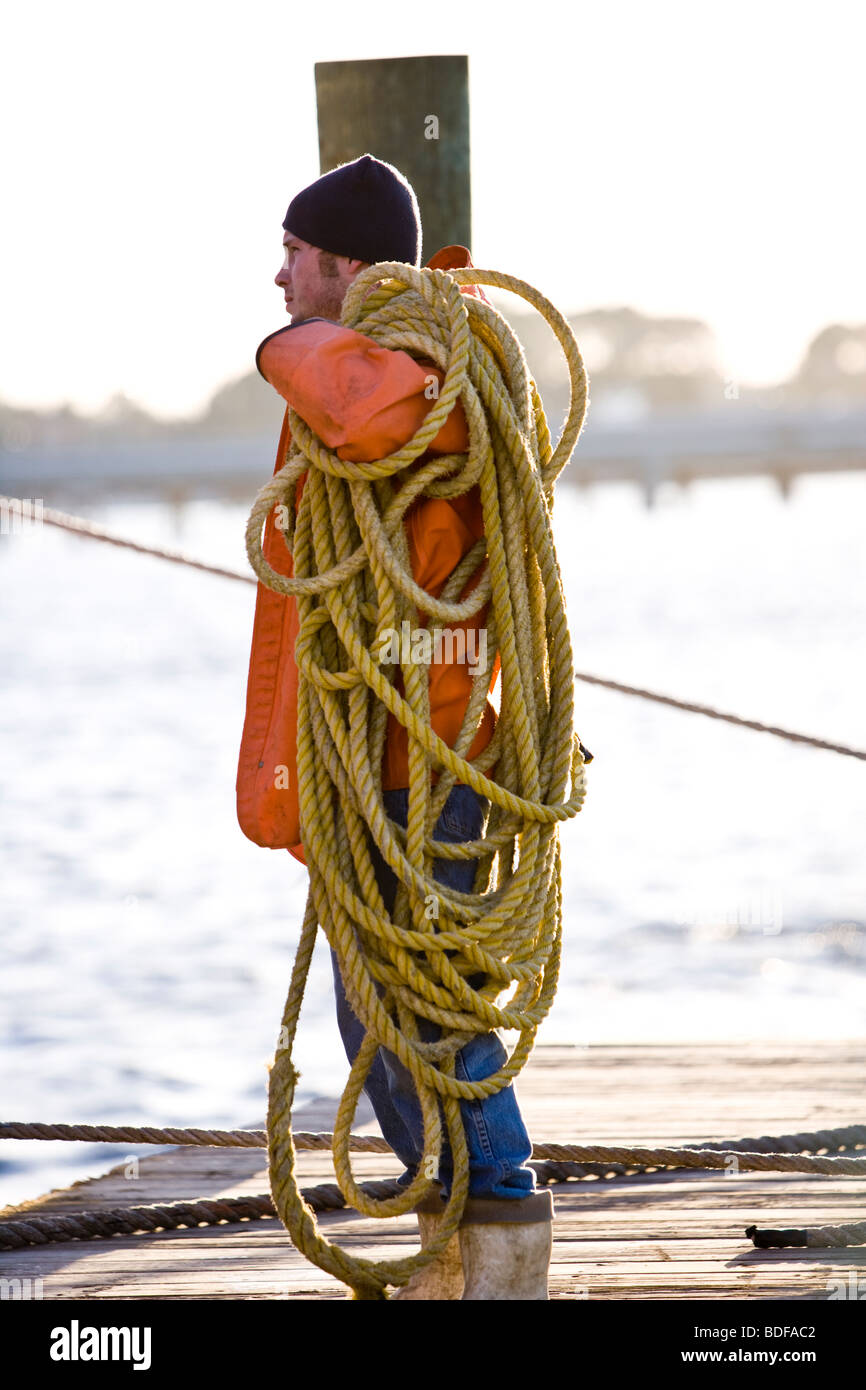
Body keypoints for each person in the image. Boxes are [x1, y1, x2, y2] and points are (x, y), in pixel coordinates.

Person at [236, 154, 554, 1298]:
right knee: (380, 1011)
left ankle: (501, 1230)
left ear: (350, 267)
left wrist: (279, 348)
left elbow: (358, 410)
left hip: (424, 764)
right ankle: (462, 1235)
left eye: (295, 257)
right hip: (375, 758)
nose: (278, 278)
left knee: (419, 1005)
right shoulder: (410, 367)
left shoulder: (428, 385)